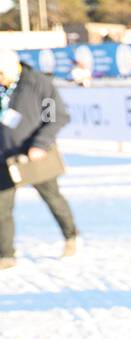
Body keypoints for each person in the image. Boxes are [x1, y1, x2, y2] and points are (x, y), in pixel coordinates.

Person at [0, 47, 79, 267]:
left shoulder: (38, 83)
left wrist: (40, 144)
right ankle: (6, 254)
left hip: (34, 156)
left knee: (53, 199)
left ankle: (71, 236)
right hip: (4, 156)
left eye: (1, 73)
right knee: (1, 207)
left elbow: (56, 117)